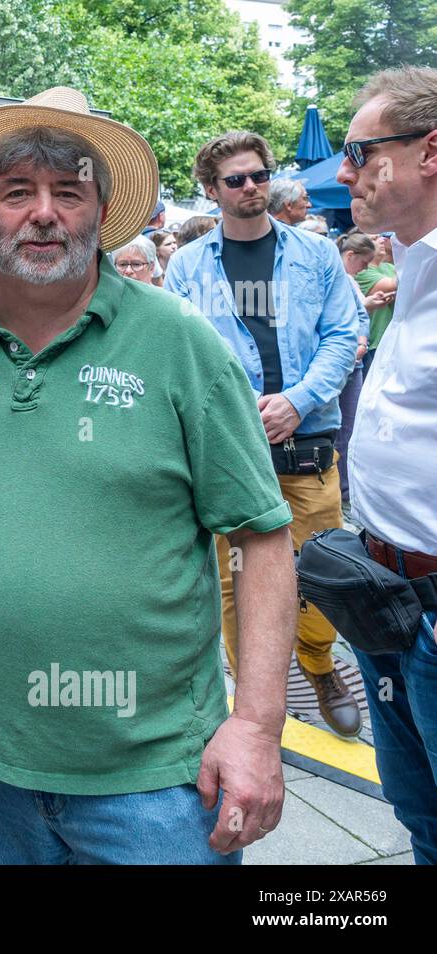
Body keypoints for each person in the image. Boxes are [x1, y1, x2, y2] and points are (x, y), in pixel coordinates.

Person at [0, 87, 296, 864]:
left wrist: (258, 727)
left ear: (101, 210)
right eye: (17, 191)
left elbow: (262, 538)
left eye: (69, 191)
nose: (43, 213)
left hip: (157, 783)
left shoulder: (179, 342)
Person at [164, 131, 363, 738]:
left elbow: (343, 334)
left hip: (307, 446)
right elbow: (180, 350)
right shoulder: (188, 266)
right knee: (235, 580)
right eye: (236, 180)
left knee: (325, 570)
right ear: (211, 190)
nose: (251, 187)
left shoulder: (316, 254)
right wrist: (232, 407)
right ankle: (254, 696)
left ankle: (319, 663)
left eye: (259, 175)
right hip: (230, 449)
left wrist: (299, 401)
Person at [335, 65, 437, 864]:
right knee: (418, 810)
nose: (345, 174)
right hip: (386, 599)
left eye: (359, 152)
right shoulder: (412, 267)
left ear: (429, 152)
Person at [334, 231, 377, 509]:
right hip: (337, 367)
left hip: (353, 366)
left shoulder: (346, 280)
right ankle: (341, 492)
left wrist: (361, 340)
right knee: (336, 431)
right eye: (363, 262)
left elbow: (361, 315)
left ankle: (346, 492)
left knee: (350, 430)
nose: (365, 269)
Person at [356, 231, 398, 373]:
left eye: (381, 237)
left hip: (392, 337)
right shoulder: (361, 271)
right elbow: (395, 284)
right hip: (374, 341)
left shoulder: (389, 267)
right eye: (374, 239)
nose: (382, 240)